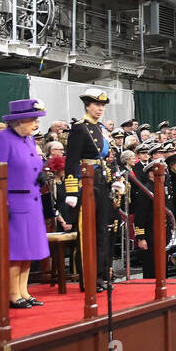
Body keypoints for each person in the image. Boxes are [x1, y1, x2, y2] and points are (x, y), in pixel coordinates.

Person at [0, 99, 51, 309]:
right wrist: (0, 202)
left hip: (32, 202)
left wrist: (40, 175)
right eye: (32, 120)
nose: (36, 125)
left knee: (29, 251)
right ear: (19, 120)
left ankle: (24, 290)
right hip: (13, 202)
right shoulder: (1, 139)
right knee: (15, 252)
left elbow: (30, 166)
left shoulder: (30, 140)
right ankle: (12, 293)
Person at [65, 90, 114, 290]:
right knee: (88, 233)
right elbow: (71, 161)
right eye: (96, 105)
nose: (100, 109)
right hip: (86, 184)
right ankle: (89, 278)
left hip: (101, 182)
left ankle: (101, 276)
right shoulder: (79, 128)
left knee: (102, 231)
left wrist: (115, 179)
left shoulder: (100, 128)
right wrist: (71, 190)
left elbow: (108, 157)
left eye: (102, 105)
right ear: (87, 106)